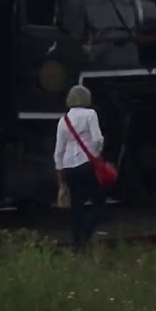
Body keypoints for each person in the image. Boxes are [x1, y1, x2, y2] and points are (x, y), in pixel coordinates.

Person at [54, 84, 106, 250]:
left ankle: (76, 243)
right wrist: (96, 155)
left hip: (69, 167)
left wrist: (60, 175)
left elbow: (58, 151)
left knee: (76, 205)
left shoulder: (63, 120)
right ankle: (85, 235)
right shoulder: (90, 114)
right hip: (87, 165)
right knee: (99, 202)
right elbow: (97, 139)